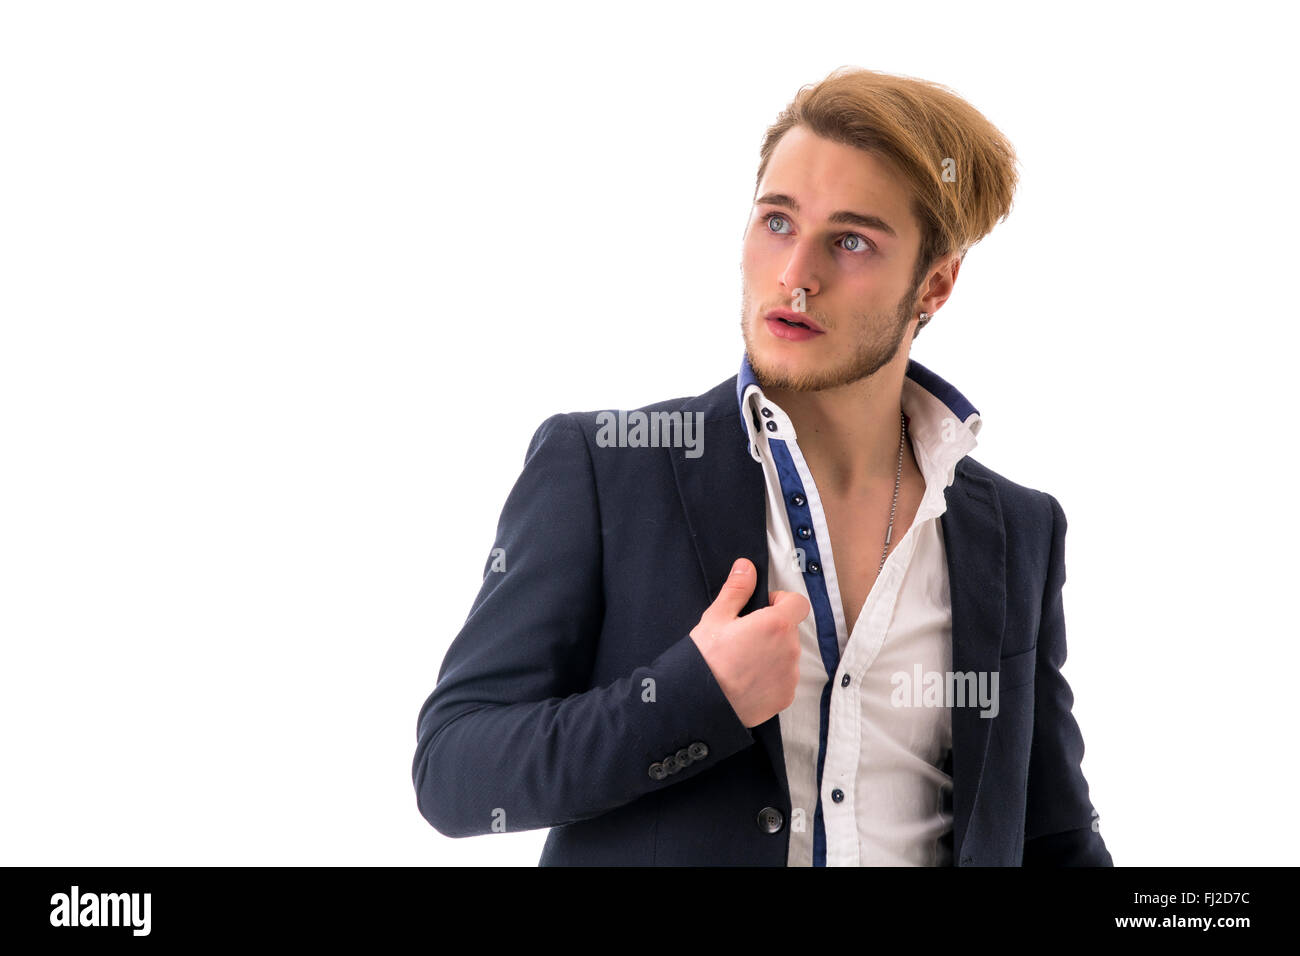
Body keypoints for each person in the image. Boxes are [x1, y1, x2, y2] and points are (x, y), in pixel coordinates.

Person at [412, 66, 1112, 866]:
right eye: (777, 222)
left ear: (937, 283)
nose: (795, 276)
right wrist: (692, 698)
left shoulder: (1018, 530)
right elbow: (454, 771)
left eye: (850, 241)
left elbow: (1052, 833)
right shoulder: (606, 469)